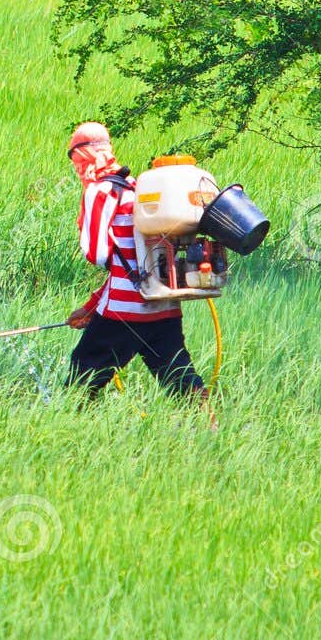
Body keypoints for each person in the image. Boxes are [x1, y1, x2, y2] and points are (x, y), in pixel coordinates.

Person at [65, 121, 216, 424]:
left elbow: (99, 254)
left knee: (83, 372)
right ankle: (210, 427)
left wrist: (98, 307)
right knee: (178, 373)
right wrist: (90, 307)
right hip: (164, 301)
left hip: (124, 310)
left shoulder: (100, 191)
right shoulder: (138, 187)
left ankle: (75, 430)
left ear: (81, 156)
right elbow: (136, 261)